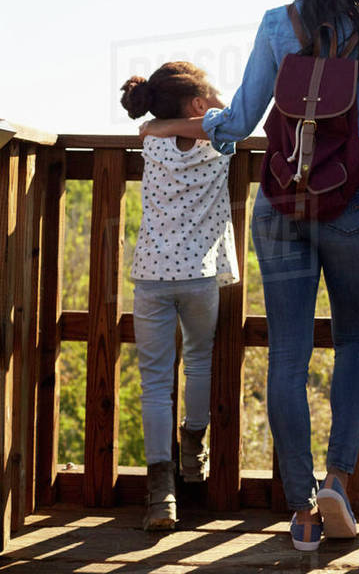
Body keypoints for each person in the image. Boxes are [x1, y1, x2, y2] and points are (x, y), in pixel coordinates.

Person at [139, 0, 359, 552]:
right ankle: (339, 484)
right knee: (356, 340)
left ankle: (300, 511)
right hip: (352, 204)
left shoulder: (280, 22)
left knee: (289, 355)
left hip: (280, 208)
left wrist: (178, 123)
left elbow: (239, 122)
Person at [120, 62, 236, 532]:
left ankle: (160, 494)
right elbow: (236, 114)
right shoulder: (219, 144)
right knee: (199, 362)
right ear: (197, 105)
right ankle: (193, 449)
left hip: (151, 276)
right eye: (209, 94)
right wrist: (198, 113)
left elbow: (175, 123)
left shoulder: (152, 142)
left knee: (154, 383)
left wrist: (163, 122)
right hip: (199, 276)